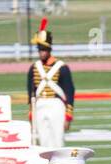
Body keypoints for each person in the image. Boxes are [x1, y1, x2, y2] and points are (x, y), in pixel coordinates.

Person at [27, 19, 73, 148]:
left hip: (56, 106)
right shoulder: (34, 67)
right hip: (40, 105)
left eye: (44, 49)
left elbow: (70, 92)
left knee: (58, 141)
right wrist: (31, 113)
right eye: (40, 49)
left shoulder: (61, 67)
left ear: (49, 49)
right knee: (44, 142)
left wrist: (68, 116)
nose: (41, 52)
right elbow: (31, 93)